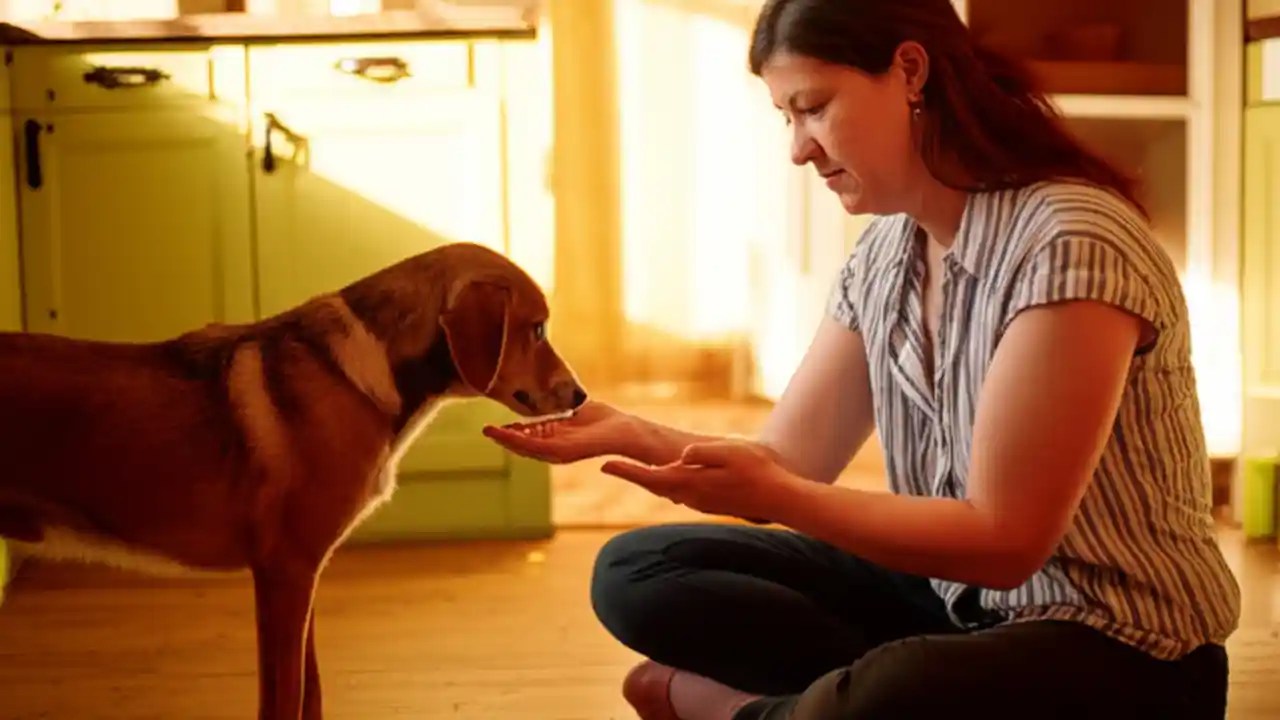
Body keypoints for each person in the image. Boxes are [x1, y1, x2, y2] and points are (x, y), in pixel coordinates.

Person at [482, 0, 1241, 718]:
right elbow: (789, 461)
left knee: (896, 691)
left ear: (910, 72)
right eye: (787, 116)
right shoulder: (886, 255)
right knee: (638, 573)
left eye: (814, 107)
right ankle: (857, 701)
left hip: (1124, 649)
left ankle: (762, 710)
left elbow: (1007, 543)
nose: (798, 148)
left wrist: (782, 498)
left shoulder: (1070, 241)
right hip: (956, 609)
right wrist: (629, 431)